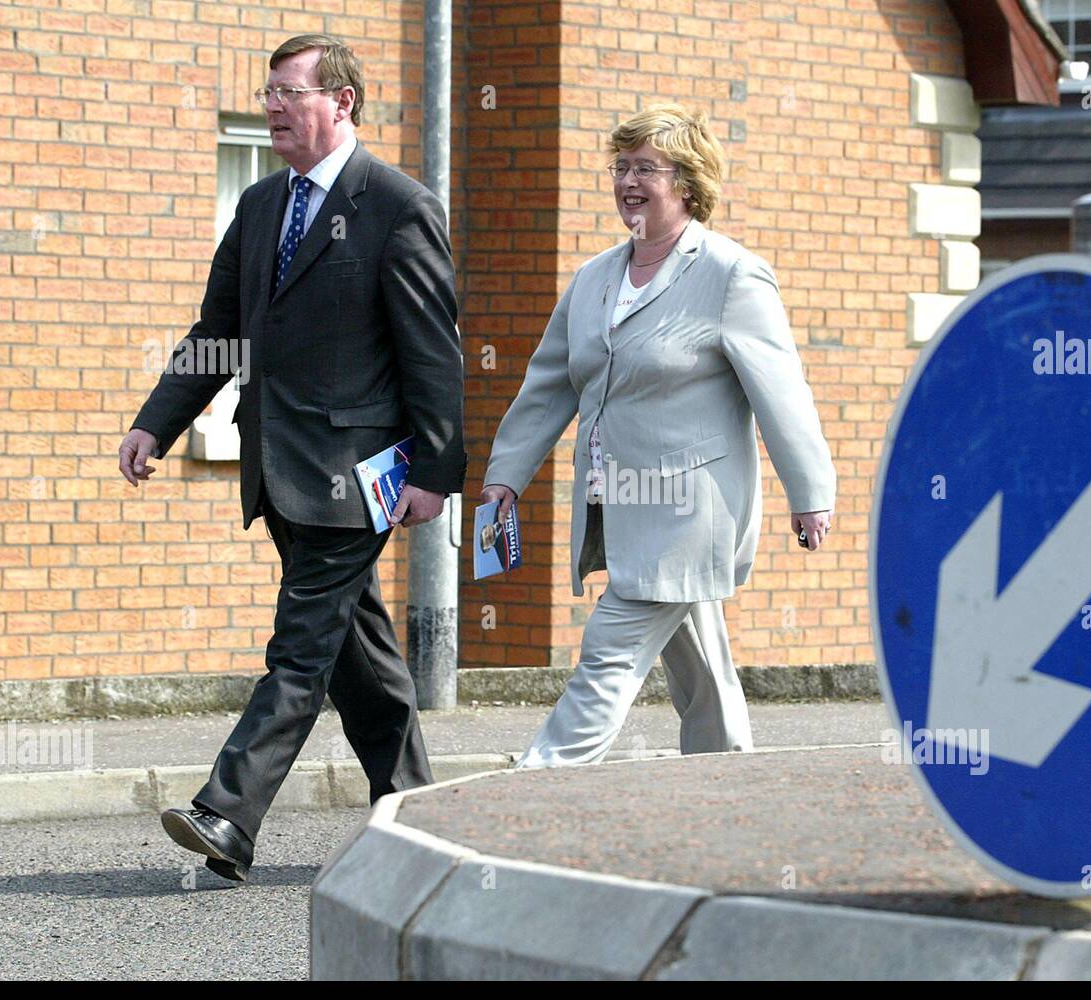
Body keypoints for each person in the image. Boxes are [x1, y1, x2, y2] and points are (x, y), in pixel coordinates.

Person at [117, 34, 465, 881]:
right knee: (361, 658)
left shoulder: (397, 204)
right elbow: (218, 332)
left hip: (356, 478)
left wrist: (435, 471)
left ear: (340, 102)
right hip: (278, 467)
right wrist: (157, 423)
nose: (272, 105)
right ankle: (418, 821)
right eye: (267, 92)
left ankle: (228, 816)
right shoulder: (263, 204)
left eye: (288, 92)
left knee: (301, 649)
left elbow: (433, 352)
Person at [481, 104, 835, 768]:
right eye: (621, 167)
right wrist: (506, 477)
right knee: (701, 667)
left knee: (609, 651)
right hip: (618, 504)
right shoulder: (593, 279)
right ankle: (726, 784)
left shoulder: (730, 274)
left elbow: (782, 391)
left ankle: (537, 784)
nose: (628, 181)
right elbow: (550, 384)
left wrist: (810, 493)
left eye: (647, 167)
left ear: (690, 181)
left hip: (687, 512)